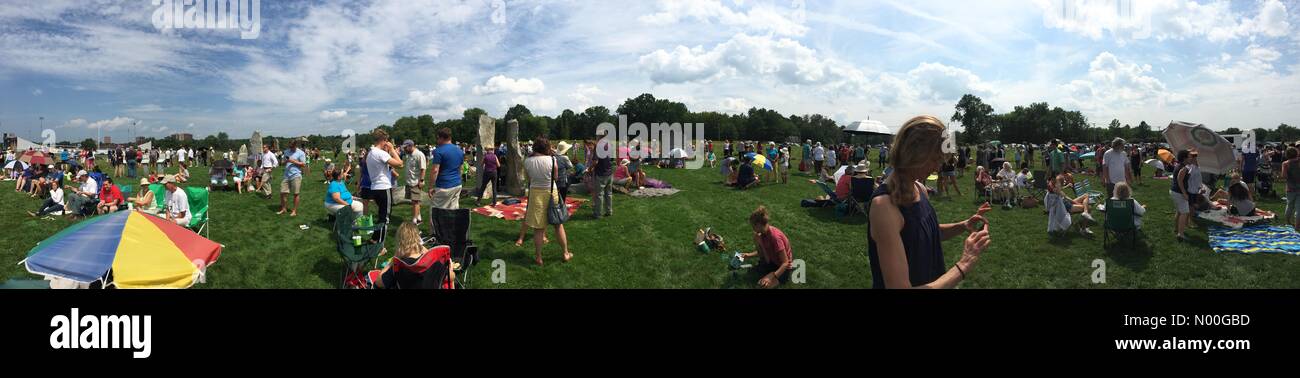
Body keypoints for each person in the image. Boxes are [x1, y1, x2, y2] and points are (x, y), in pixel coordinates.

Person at [868, 116, 991, 289]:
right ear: (913, 153)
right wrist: (964, 264)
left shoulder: (920, 189)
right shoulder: (885, 207)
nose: (937, 168)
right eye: (935, 159)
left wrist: (963, 225)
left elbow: (926, 234)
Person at [516, 138, 572, 266]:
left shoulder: (527, 161)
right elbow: (556, 177)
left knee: (539, 228)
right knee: (558, 225)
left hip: (535, 193)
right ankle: (565, 253)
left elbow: (529, 179)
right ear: (546, 147)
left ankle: (539, 257)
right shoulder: (552, 160)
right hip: (551, 192)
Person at [362, 129, 404, 245]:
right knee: (385, 219)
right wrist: (391, 150)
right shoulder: (380, 153)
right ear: (384, 140)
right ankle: (380, 246)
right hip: (383, 188)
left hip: (375, 187)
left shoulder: (371, 152)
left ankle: (375, 239)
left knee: (381, 216)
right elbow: (400, 164)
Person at [735, 206, 793, 289]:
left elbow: (785, 263)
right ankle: (765, 269)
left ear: (758, 224)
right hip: (772, 262)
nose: (753, 229)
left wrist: (772, 275)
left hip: (782, 268)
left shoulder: (775, 238)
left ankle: (774, 275)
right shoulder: (762, 234)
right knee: (758, 277)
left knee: (763, 286)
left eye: (753, 226)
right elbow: (763, 252)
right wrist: (749, 254)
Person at [428, 128, 464, 211]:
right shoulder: (460, 151)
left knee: (436, 212)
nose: (437, 141)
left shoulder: (438, 151)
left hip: (444, 186)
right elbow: (460, 169)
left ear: (441, 138)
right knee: (453, 211)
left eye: (437, 138)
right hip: (457, 184)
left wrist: (430, 187)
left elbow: (435, 170)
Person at [1170, 150, 1197, 241]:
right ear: (1185, 158)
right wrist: (1185, 193)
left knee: (1179, 211)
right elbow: (1179, 181)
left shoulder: (1181, 166)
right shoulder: (1183, 168)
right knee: (1185, 212)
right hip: (1179, 192)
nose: (1191, 158)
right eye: (1189, 156)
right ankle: (1180, 234)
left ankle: (1176, 229)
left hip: (1175, 191)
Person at [401, 139, 428, 223]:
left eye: (405, 148)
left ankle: (415, 220)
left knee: (415, 201)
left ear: (410, 146)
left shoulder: (419, 154)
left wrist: (421, 180)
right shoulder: (409, 155)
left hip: (416, 182)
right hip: (410, 181)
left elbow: (423, 168)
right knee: (413, 201)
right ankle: (418, 217)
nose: (404, 149)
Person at [276, 141, 306, 216]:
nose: (291, 148)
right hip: (286, 175)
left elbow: (303, 164)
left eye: (292, 146)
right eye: (290, 146)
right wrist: (285, 161)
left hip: (296, 175)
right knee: (282, 193)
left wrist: (293, 161)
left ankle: (294, 211)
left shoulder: (301, 153)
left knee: (296, 194)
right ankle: (283, 209)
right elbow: (282, 163)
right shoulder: (286, 151)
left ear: (295, 145)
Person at [592, 132, 615, 218]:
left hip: (601, 173)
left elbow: (595, 161)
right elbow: (612, 158)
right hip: (609, 172)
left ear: (599, 136)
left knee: (599, 195)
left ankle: (598, 214)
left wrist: (590, 168)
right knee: (609, 194)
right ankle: (609, 211)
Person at [1285, 148, 1300, 231]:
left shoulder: (1285, 164)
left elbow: (1284, 176)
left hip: (1290, 188)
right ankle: (1297, 226)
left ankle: (1288, 222)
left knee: (1289, 206)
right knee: (1299, 208)